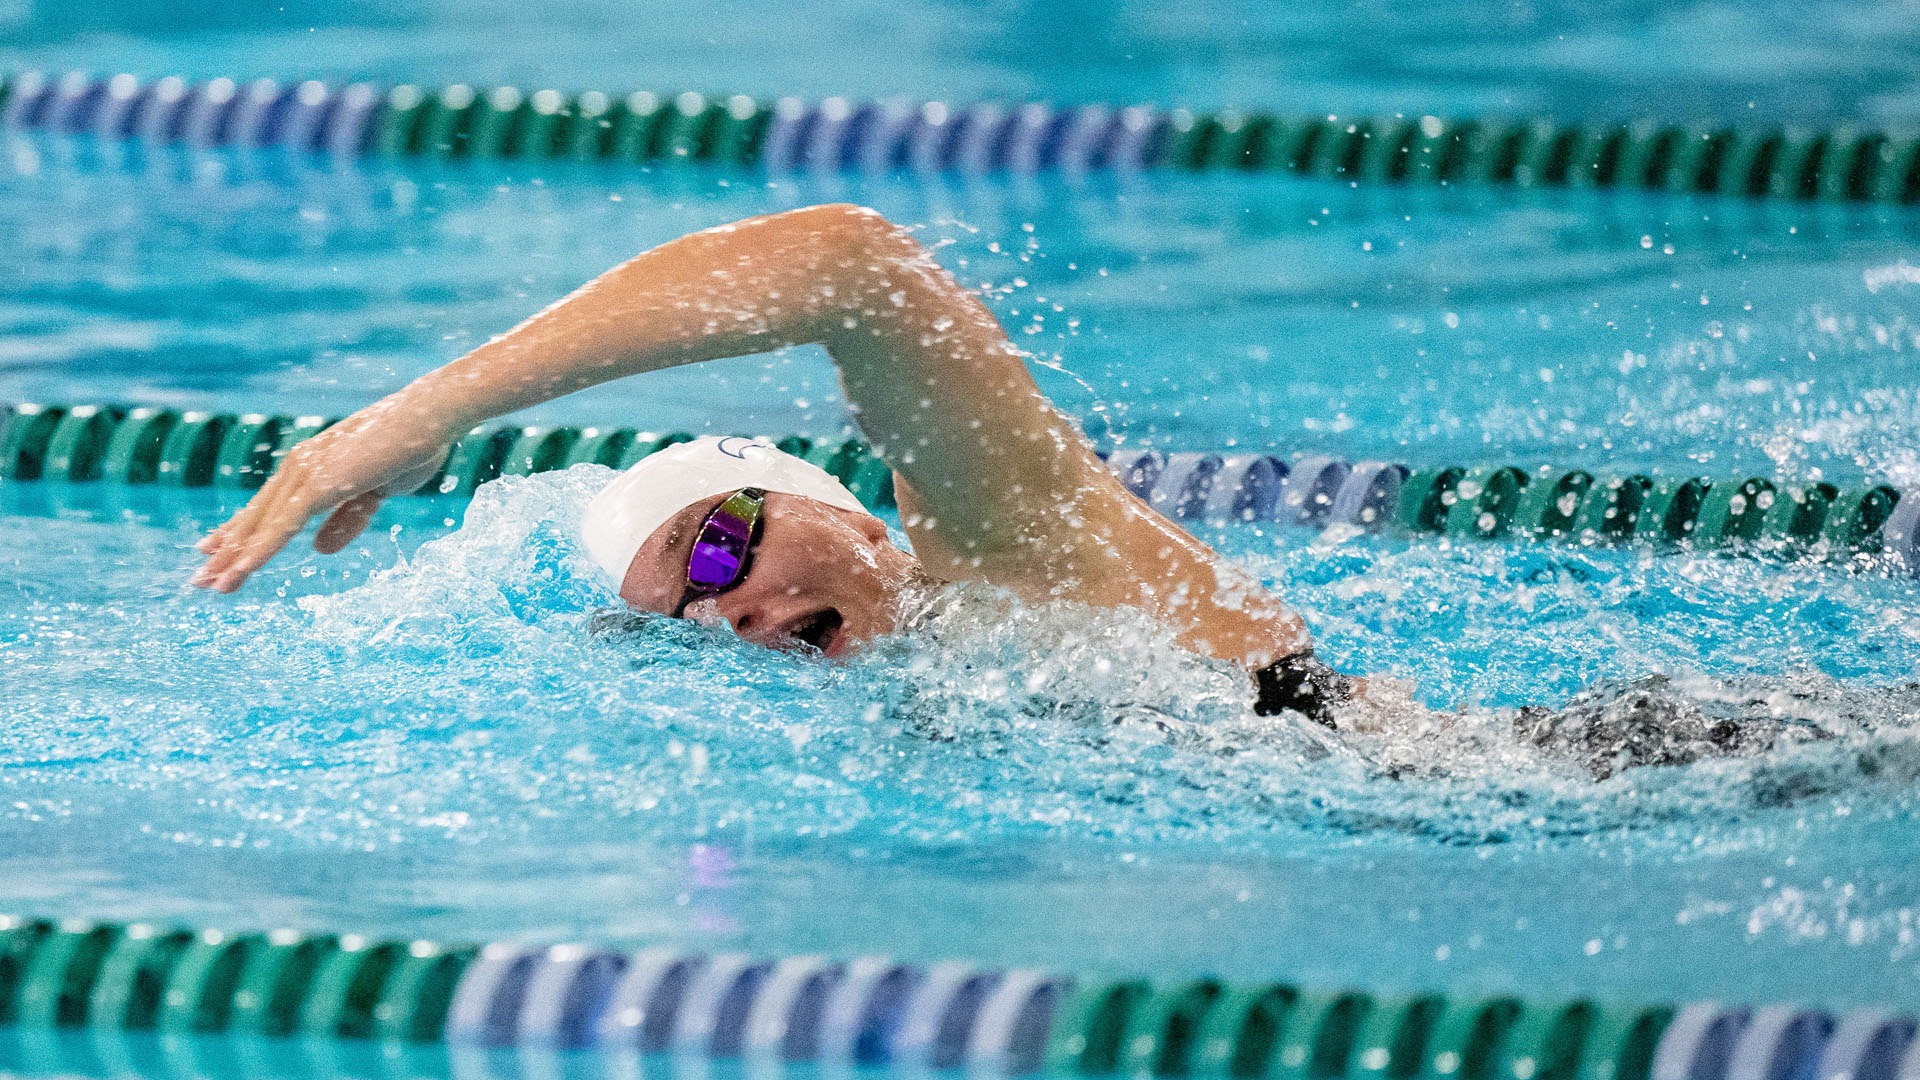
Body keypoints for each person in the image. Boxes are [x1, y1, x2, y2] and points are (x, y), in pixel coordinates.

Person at [191, 203, 1357, 724]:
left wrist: (427, 410)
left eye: (714, 546)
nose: (726, 617)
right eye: (684, 612)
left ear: (847, 516)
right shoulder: (923, 708)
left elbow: (845, 265)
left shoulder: (1010, 551)